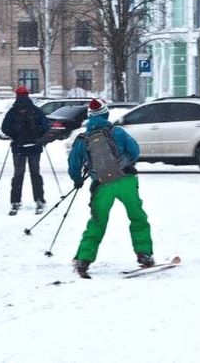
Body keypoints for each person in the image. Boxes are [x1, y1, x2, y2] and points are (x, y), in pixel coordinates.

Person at [68, 99, 154, 278]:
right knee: (137, 216)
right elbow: (135, 151)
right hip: (126, 181)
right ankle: (144, 254)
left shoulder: (82, 139)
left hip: (102, 184)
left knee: (97, 221)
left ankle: (83, 259)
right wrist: (124, 164)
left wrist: (77, 180)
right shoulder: (118, 132)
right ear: (106, 114)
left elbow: (73, 165)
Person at [1, 86, 50, 216]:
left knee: (18, 174)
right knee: (35, 174)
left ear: (16, 96)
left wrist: (15, 136)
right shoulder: (35, 110)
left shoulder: (12, 111)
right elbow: (46, 126)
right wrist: (38, 136)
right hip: (34, 147)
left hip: (18, 148)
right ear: (28, 96)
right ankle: (39, 199)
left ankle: (15, 201)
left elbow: (4, 128)